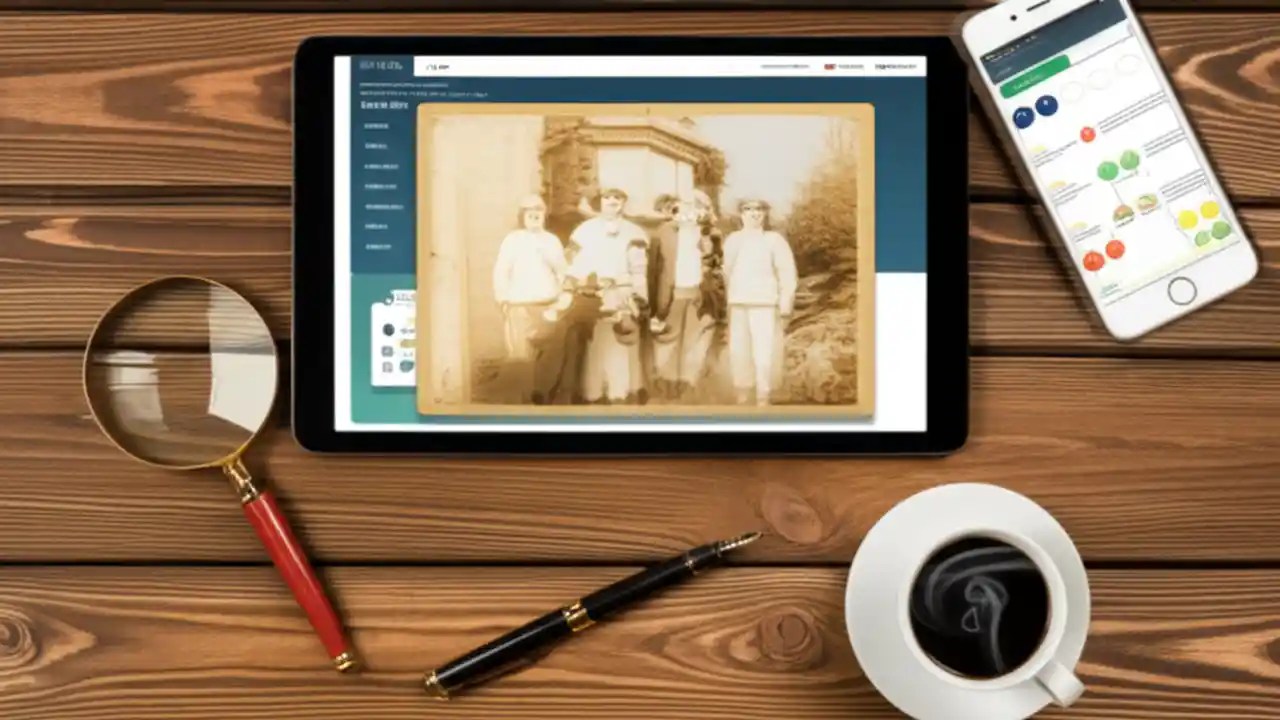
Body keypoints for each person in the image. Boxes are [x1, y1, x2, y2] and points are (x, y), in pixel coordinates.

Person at [566, 187, 651, 404]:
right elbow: (574, 265)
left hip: (622, 293)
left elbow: (639, 270)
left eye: (617, 198)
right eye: (607, 198)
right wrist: (576, 285)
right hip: (592, 295)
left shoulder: (633, 233)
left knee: (619, 342)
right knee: (593, 343)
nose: (613, 201)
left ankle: (618, 393)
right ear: (599, 202)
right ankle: (592, 392)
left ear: (623, 203)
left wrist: (640, 298)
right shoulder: (585, 231)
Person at [492, 195, 568, 399]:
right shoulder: (513, 240)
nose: (534, 216)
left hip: (548, 306)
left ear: (544, 215)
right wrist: (503, 299)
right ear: (522, 216)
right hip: (519, 307)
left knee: (550, 358)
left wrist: (562, 301)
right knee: (520, 359)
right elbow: (502, 271)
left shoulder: (552, 241)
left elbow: (563, 272)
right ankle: (522, 402)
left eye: (538, 211)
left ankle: (542, 397)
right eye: (529, 212)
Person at [722, 198, 797, 406]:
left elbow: (787, 273)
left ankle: (763, 394)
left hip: (765, 304)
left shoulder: (774, 240)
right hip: (738, 302)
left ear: (765, 214)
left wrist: (785, 305)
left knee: (764, 351)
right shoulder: (733, 240)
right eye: (748, 209)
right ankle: (742, 393)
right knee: (739, 351)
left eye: (759, 210)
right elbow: (727, 272)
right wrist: (729, 299)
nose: (754, 214)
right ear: (741, 214)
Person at [648, 189, 720, 401]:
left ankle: (687, 386)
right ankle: (664, 385)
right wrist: (654, 306)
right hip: (672, 295)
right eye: (688, 205)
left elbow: (717, 265)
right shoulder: (664, 232)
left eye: (699, 207)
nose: (692, 211)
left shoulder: (710, 234)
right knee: (667, 341)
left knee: (694, 343)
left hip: (699, 296)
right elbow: (654, 270)